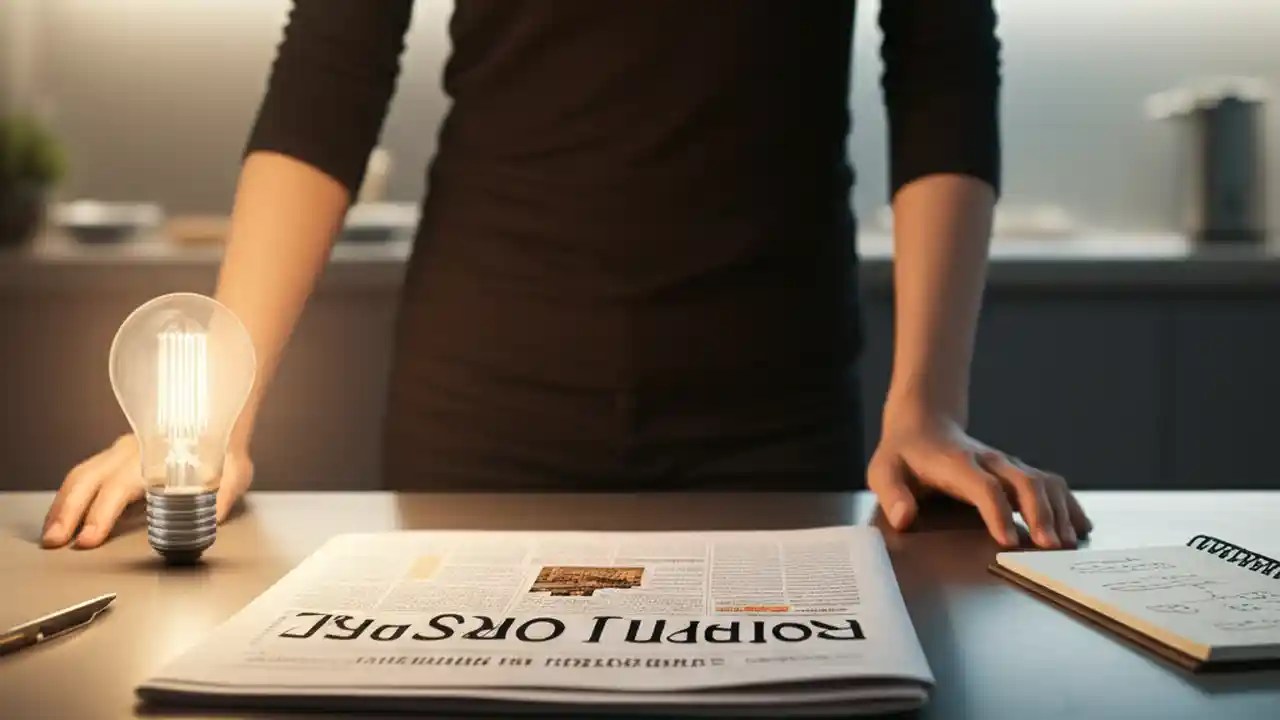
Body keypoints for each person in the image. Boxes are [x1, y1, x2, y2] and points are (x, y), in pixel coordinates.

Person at [42, 1, 1091, 552]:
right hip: (483, 400)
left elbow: (942, 54)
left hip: (772, 399)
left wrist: (928, 410)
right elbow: (331, 63)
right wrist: (213, 414)